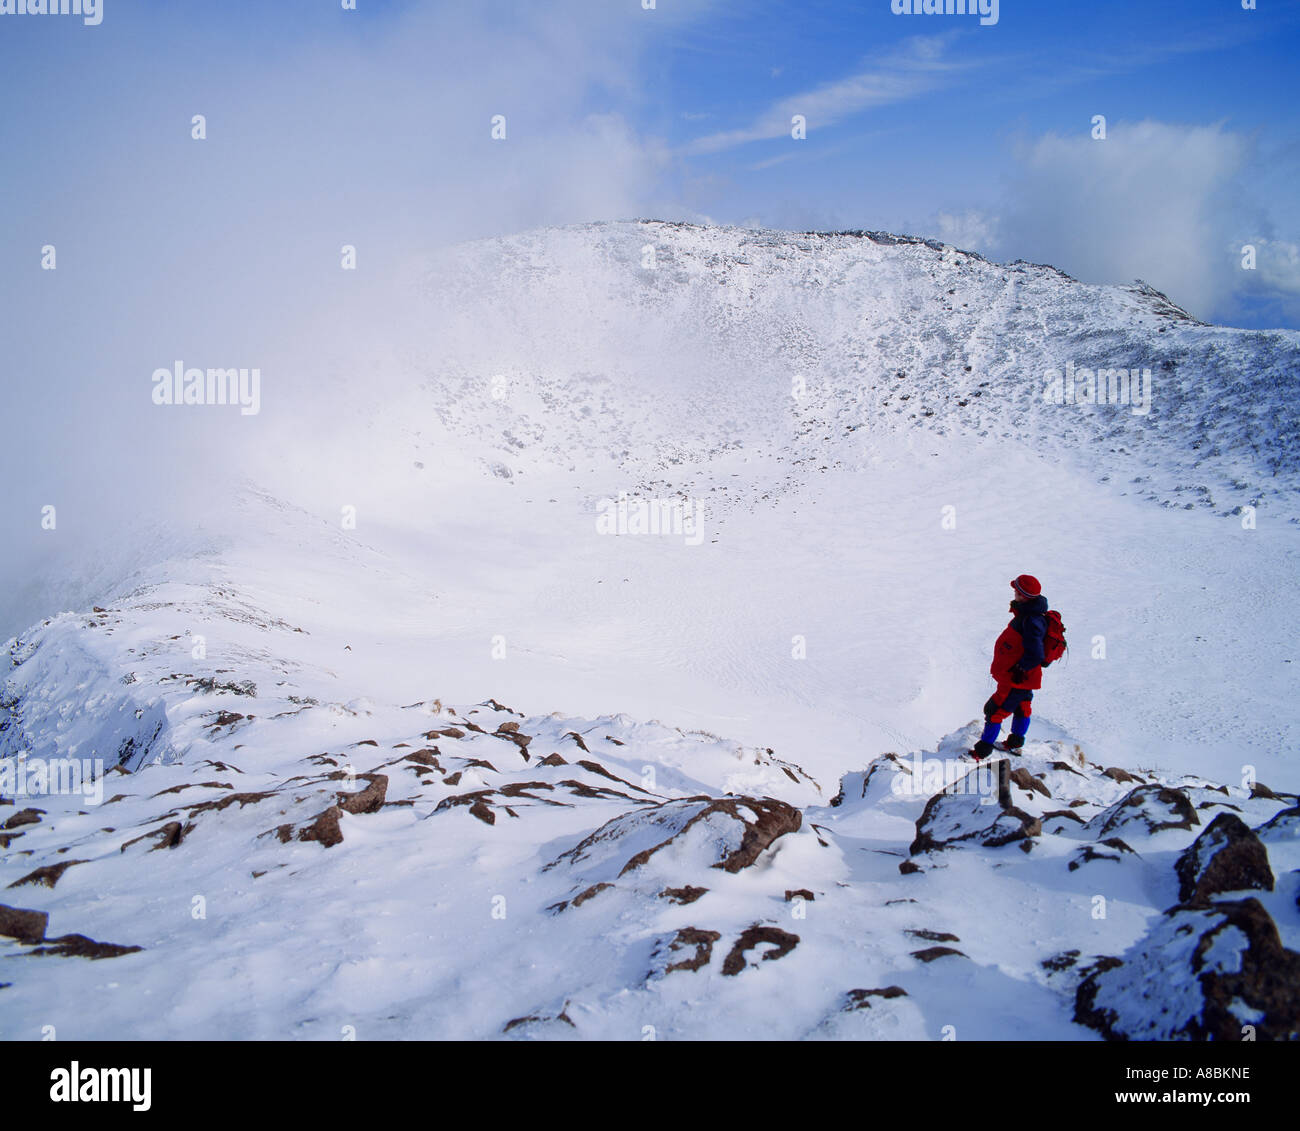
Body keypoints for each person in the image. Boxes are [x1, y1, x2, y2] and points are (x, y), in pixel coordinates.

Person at [971, 574, 1051, 760]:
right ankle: (1015, 744)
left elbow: (1036, 653)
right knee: (1023, 707)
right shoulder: (1030, 615)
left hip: (1017, 678)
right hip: (1026, 678)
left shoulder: (1031, 621)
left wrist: (1020, 669)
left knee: (994, 710)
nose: (1014, 592)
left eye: (1016, 590)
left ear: (1024, 595)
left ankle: (981, 752)